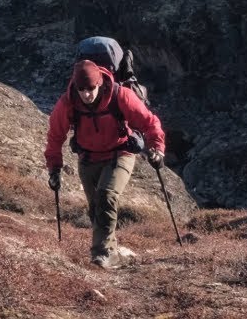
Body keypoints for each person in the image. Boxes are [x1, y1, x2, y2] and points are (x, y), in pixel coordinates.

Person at [45, 58, 166, 268]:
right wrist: (54, 169)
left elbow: (150, 122)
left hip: (121, 153)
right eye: (82, 89)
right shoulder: (67, 103)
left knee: (106, 196)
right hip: (88, 158)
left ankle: (102, 255)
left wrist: (157, 149)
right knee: (95, 210)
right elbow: (55, 137)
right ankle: (113, 252)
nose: (86, 94)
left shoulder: (121, 96)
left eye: (91, 88)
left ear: (99, 83)